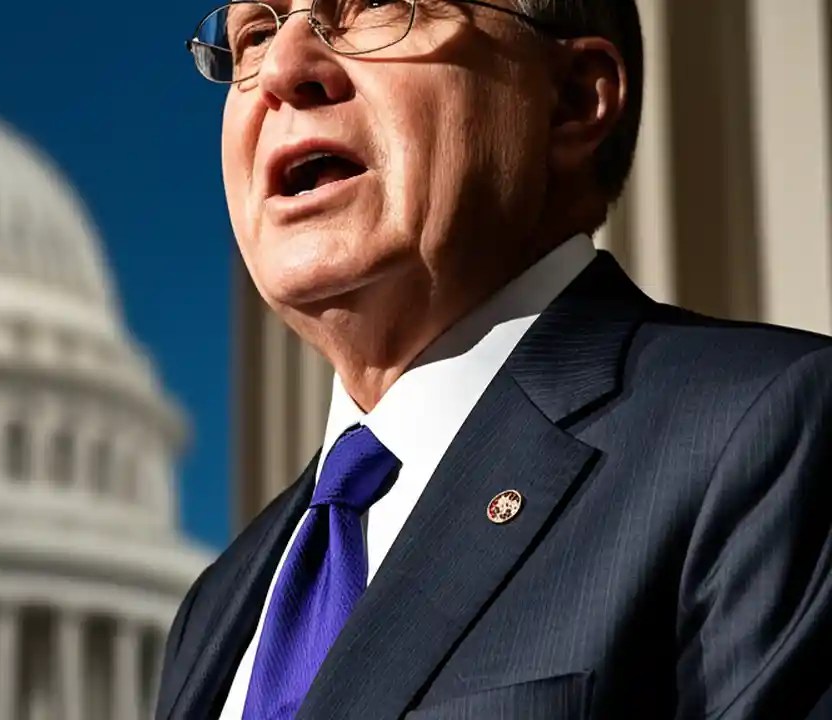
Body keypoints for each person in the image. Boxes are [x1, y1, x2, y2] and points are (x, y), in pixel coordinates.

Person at [157, 0, 832, 718]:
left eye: (377, 7)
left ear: (574, 100)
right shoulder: (219, 605)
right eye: (256, 33)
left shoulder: (767, 435)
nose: (285, 71)